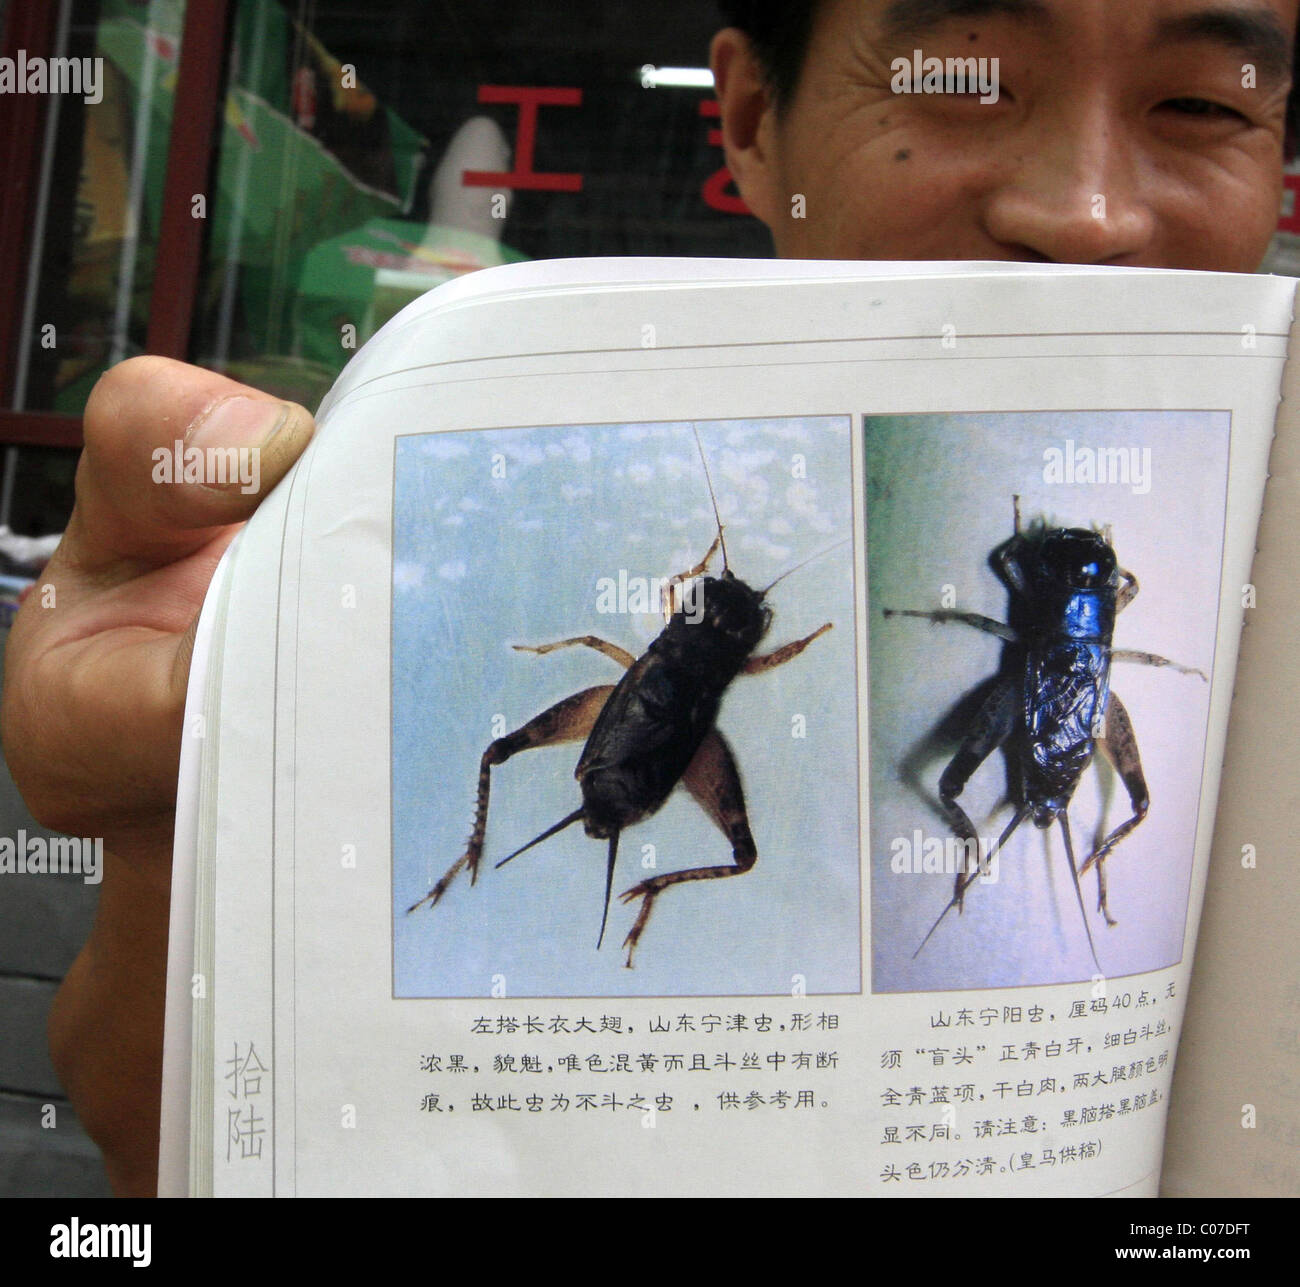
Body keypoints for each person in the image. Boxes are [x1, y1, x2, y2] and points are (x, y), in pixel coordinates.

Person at [3, 0, 1296, 1196]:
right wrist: (193, 854)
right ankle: (487, 858)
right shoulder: (563, 474)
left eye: (1203, 105)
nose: (1084, 216)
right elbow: (151, 1143)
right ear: (749, 120)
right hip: (652, 748)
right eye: (964, 80)